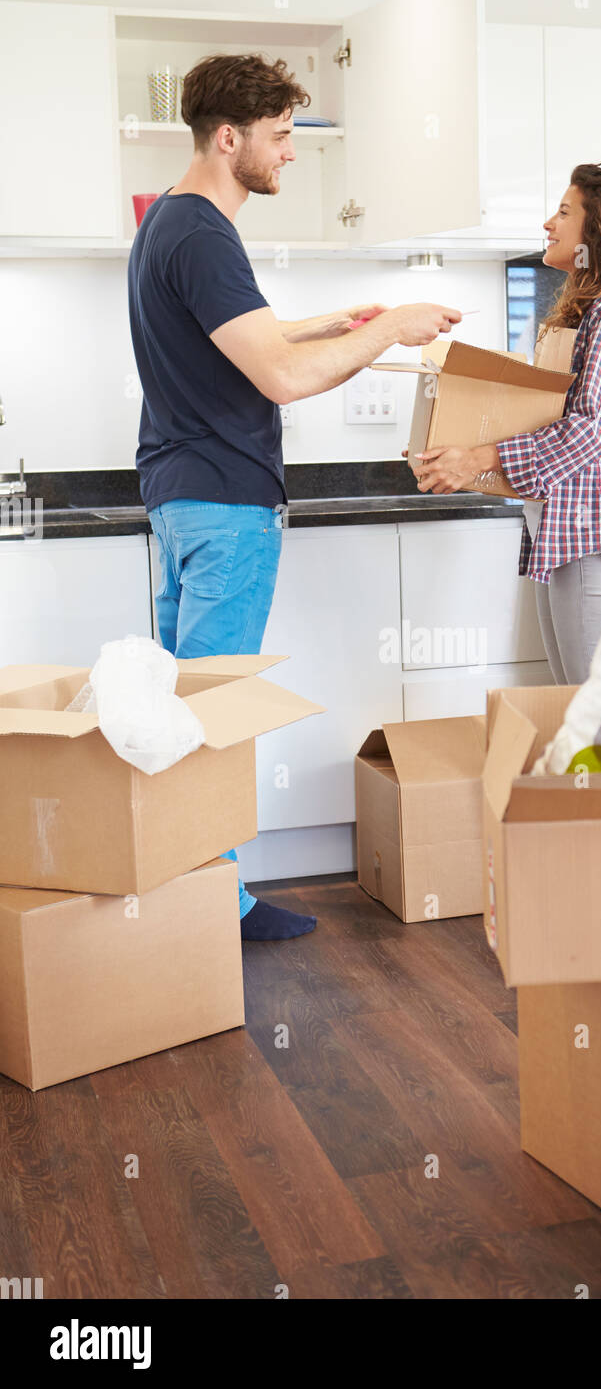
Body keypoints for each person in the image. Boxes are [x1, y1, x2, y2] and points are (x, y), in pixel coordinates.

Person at [128, 52, 461, 940]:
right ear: (228, 137)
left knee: (183, 711)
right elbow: (277, 376)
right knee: (214, 717)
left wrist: (338, 321)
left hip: (181, 500)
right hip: (227, 507)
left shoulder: (169, 222)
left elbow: (246, 341)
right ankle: (219, 905)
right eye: (279, 138)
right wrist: (391, 328)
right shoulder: (204, 233)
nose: (289, 155)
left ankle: (185, 895)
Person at [414, 162, 601, 684]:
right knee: (577, 710)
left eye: (563, 212)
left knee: (597, 720)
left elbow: (590, 429)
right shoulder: (590, 315)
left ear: (600, 229)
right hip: (569, 536)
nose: (547, 224)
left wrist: (480, 459)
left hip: (594, 535)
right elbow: (551, 418)